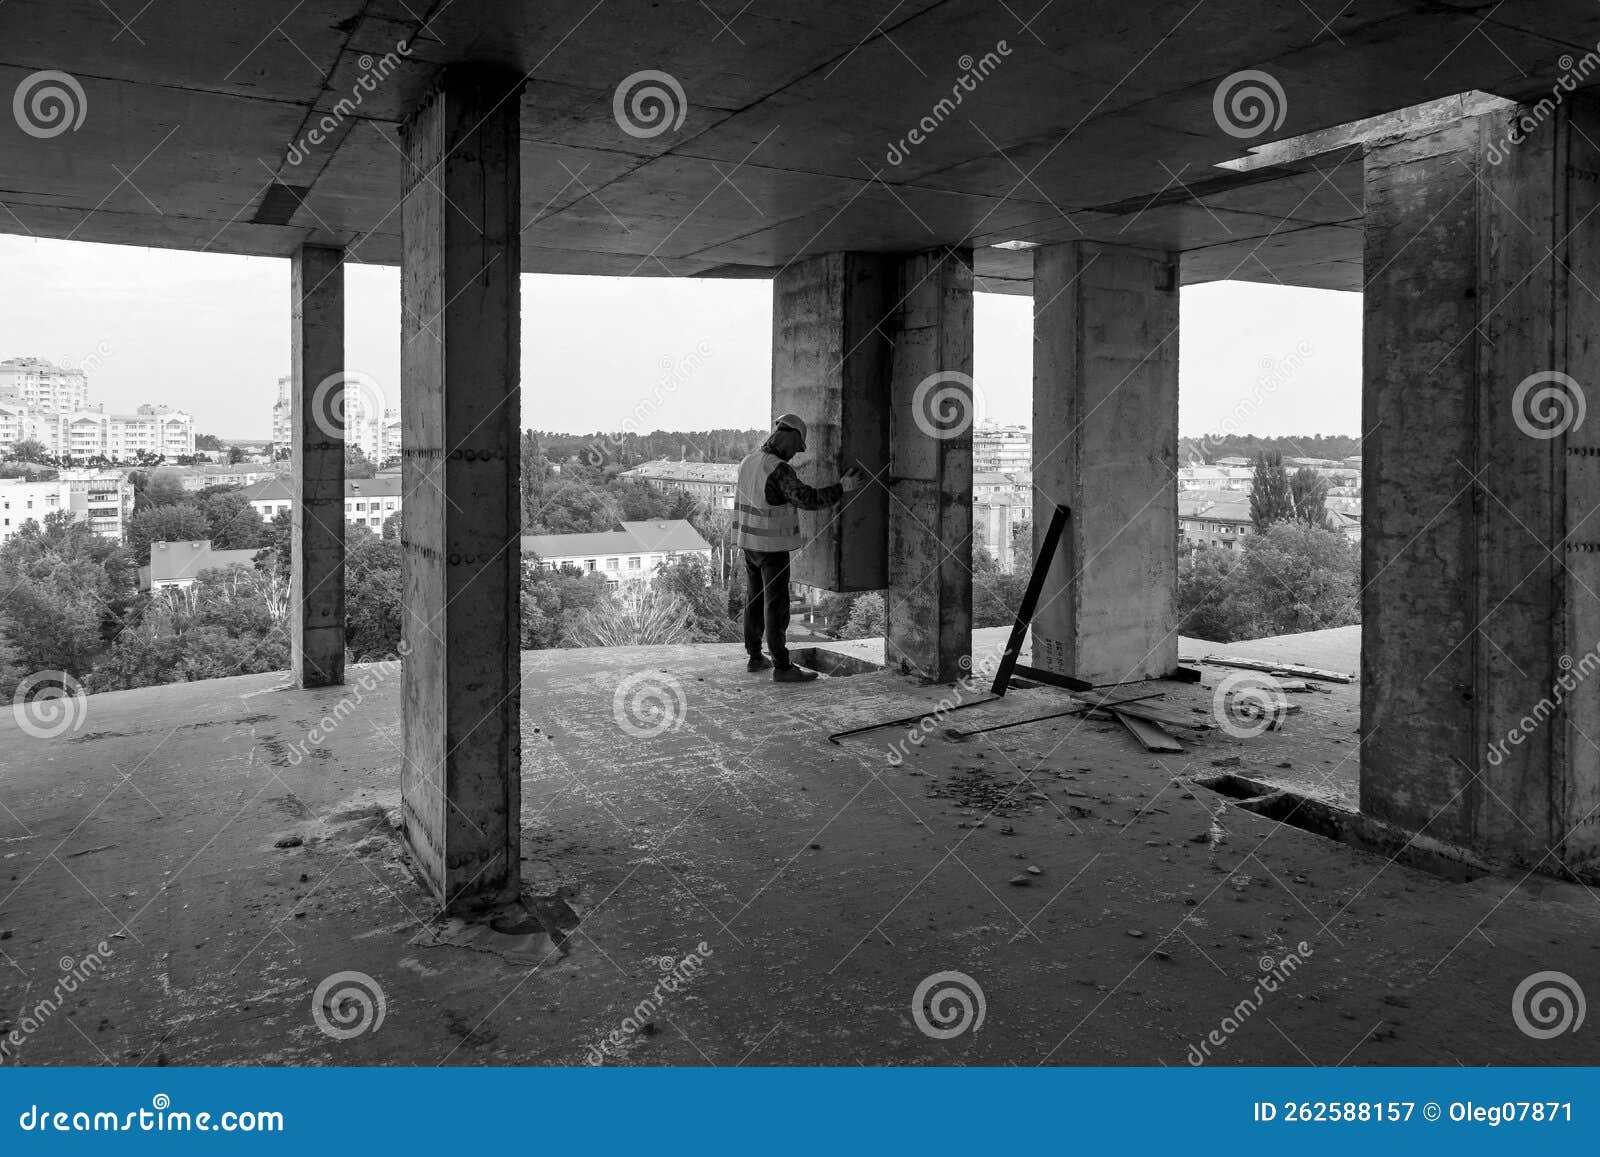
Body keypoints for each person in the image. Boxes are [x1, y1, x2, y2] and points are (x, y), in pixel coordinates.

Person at [734, 414, 863, 682]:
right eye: (796, 447)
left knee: (754, 601)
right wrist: (843, 487)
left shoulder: (748, 462)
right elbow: (807, 499)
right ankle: (782, 667)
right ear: (789, 438)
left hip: (749, 545)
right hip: (772, 547)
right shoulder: (778, 469)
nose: (795, 454)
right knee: (776, 606)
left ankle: (756, 657)